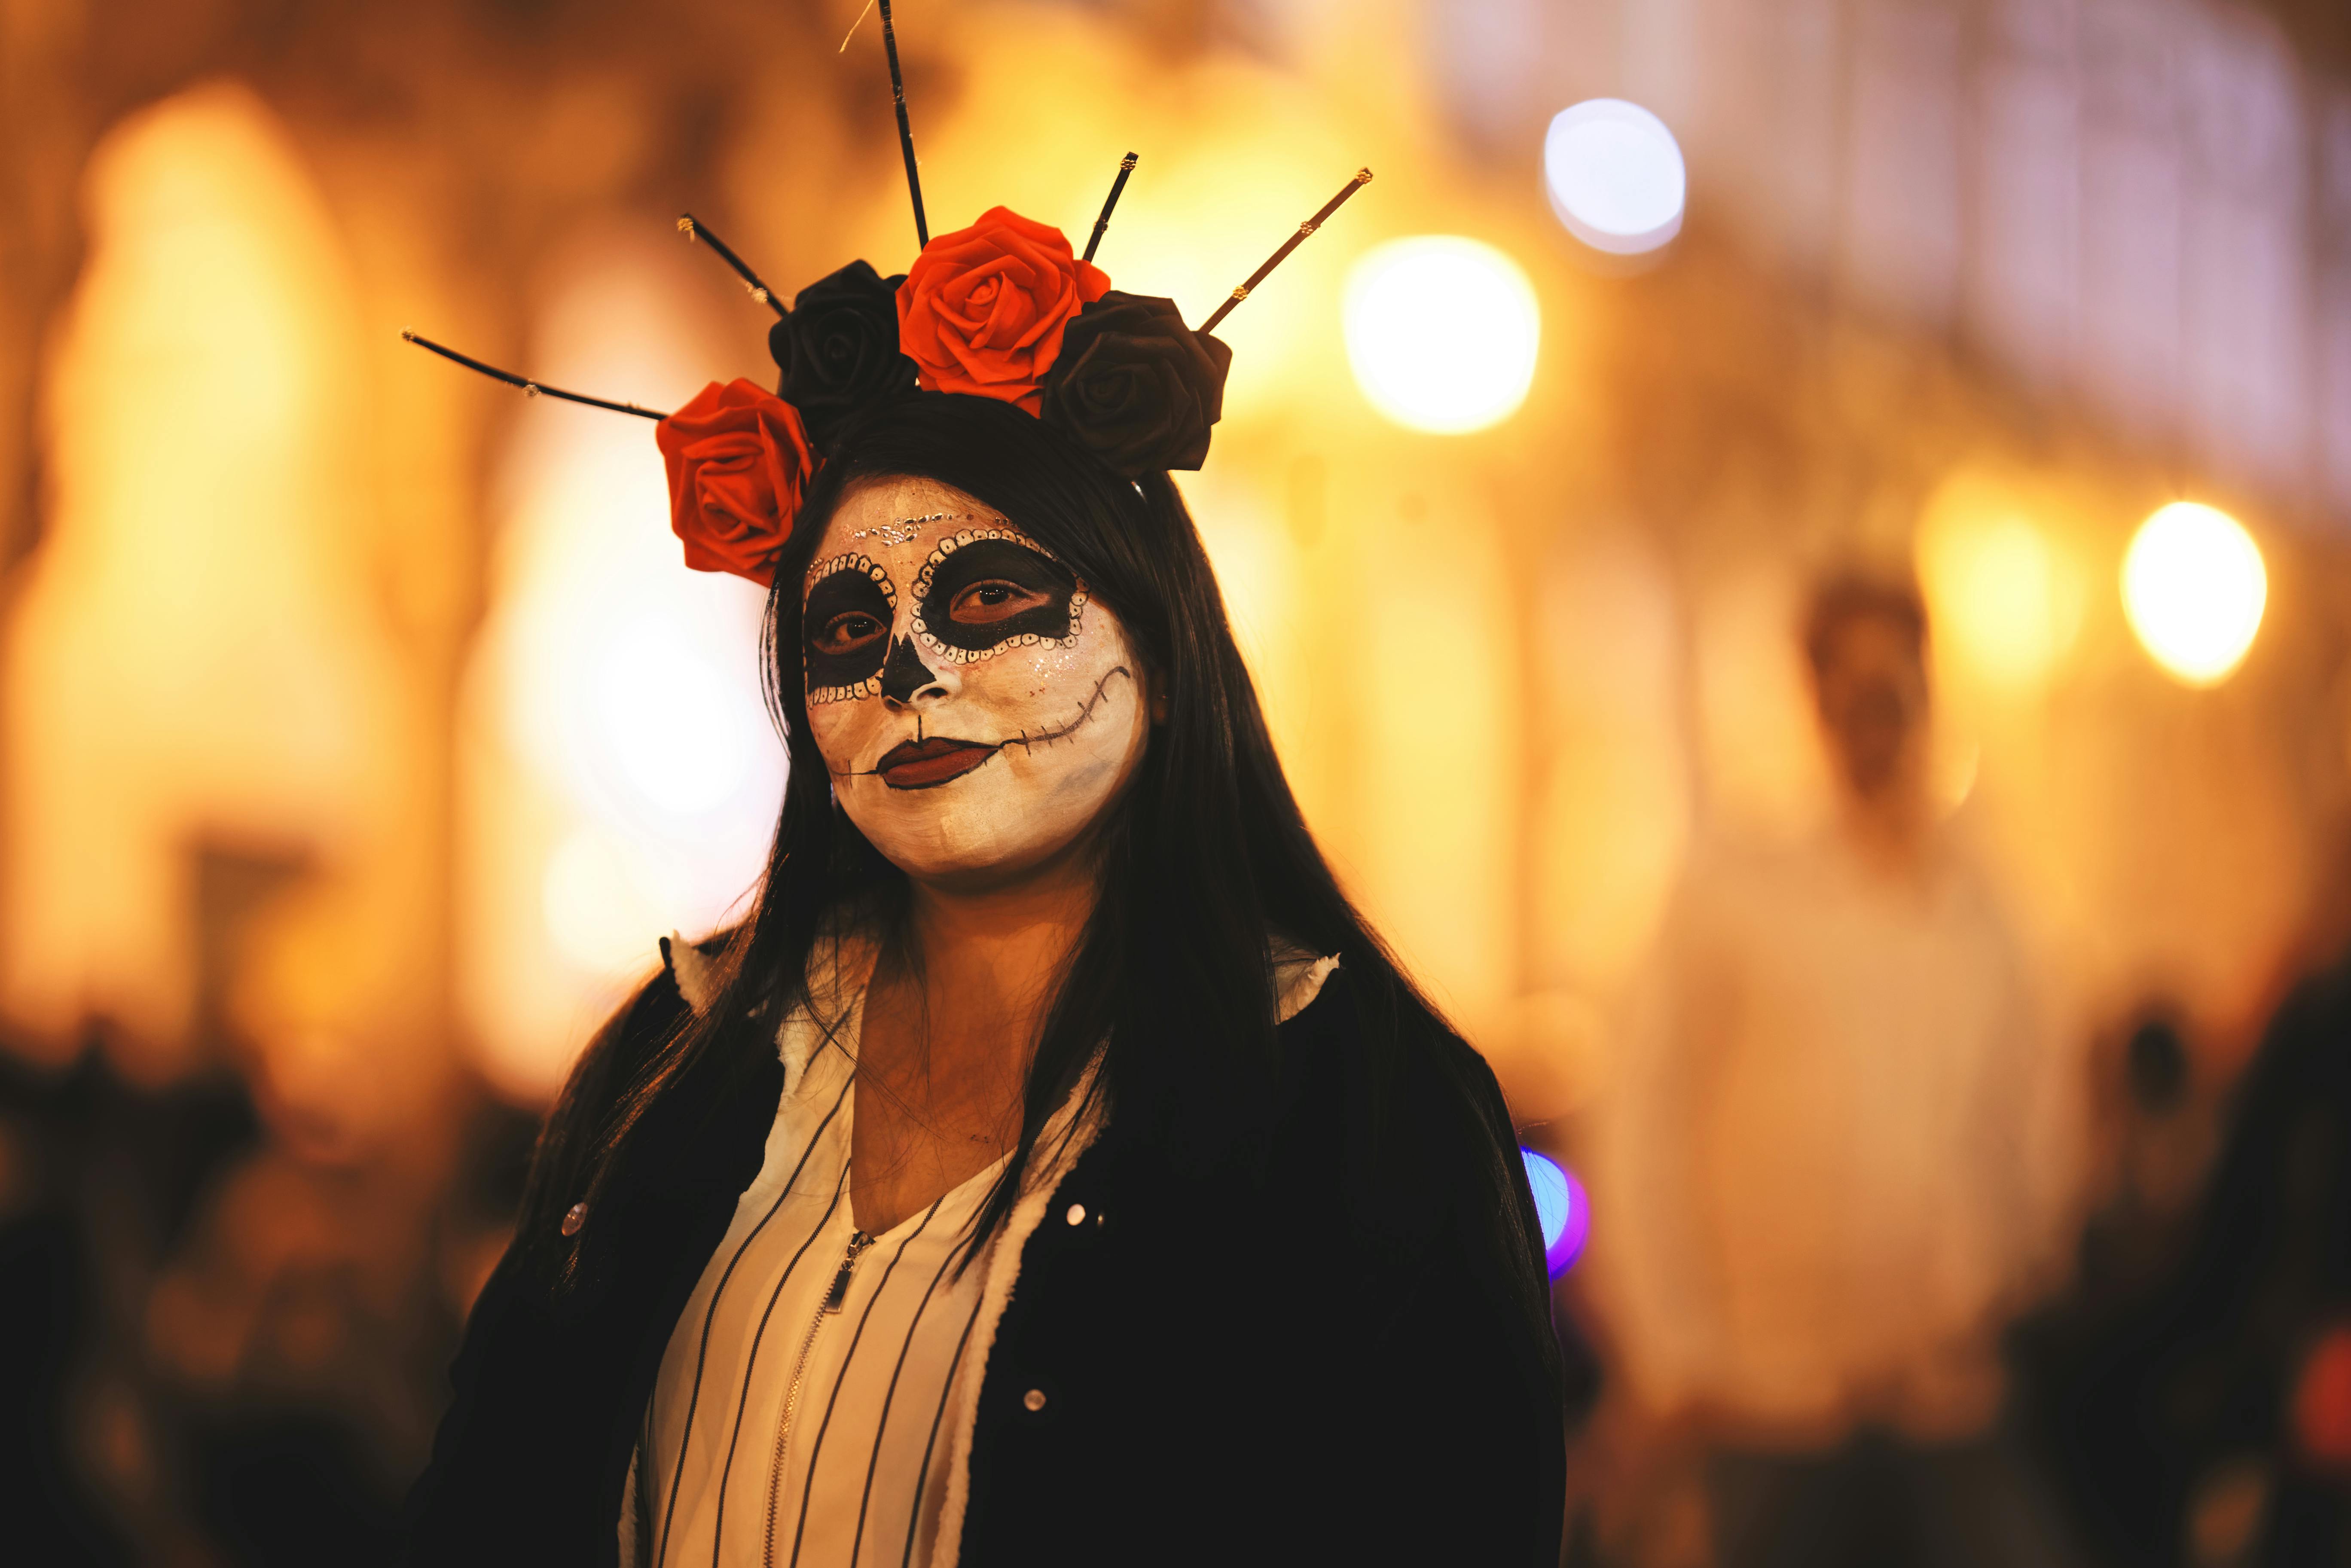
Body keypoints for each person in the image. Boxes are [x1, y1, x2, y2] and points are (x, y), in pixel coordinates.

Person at [397, 192, 1566, 1564]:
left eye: (991, 601)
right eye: (844, 625)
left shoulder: (1362, 1115)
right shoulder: (674, 1072)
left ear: (1170, 654)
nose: (906, 674)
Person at [1594, 573, 2079, 1568]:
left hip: (1944, 1402)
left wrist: (1993, 1271)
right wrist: (1675, 1350)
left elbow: (2041, 1116)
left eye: (1896, 684)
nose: (1878, 716)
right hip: (1769, 1409)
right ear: (1815, 696)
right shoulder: (1735, 893)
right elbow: (1645, 1118)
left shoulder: (1980, 911)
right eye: (1852, 686)